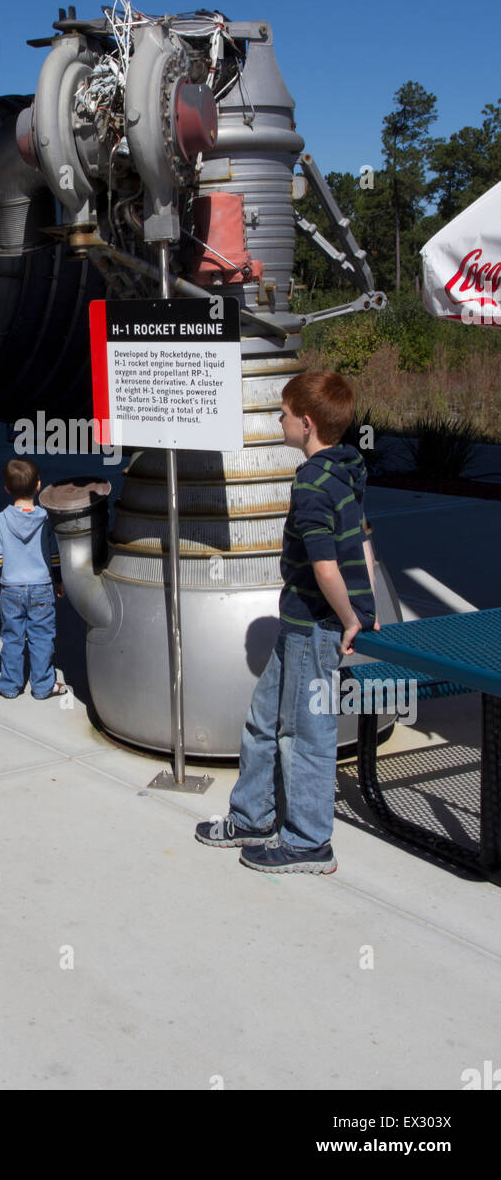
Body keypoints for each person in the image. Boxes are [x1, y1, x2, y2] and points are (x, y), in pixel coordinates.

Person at [195, 370, 379, 874]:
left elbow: (324, 566)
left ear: (305, 422)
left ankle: (308, 841)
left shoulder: (314, 480)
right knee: (261, 723)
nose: (277, 420)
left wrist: (349, 620)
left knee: (304, 734)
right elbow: (361, 541)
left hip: (315, 627)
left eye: (282, 413)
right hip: (296, 624)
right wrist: (370, 606)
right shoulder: (347, 469)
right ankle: (252, 816)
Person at [0, 457, 67, 700]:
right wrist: (58, 579)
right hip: (41, 587)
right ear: (38, 485)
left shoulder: (0, 519)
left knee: (12, 637)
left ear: (7, 489)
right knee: (42, 637)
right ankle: (43, 686)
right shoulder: (45, 519)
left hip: (11, 588)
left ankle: (10, 685)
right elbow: (53, 554)